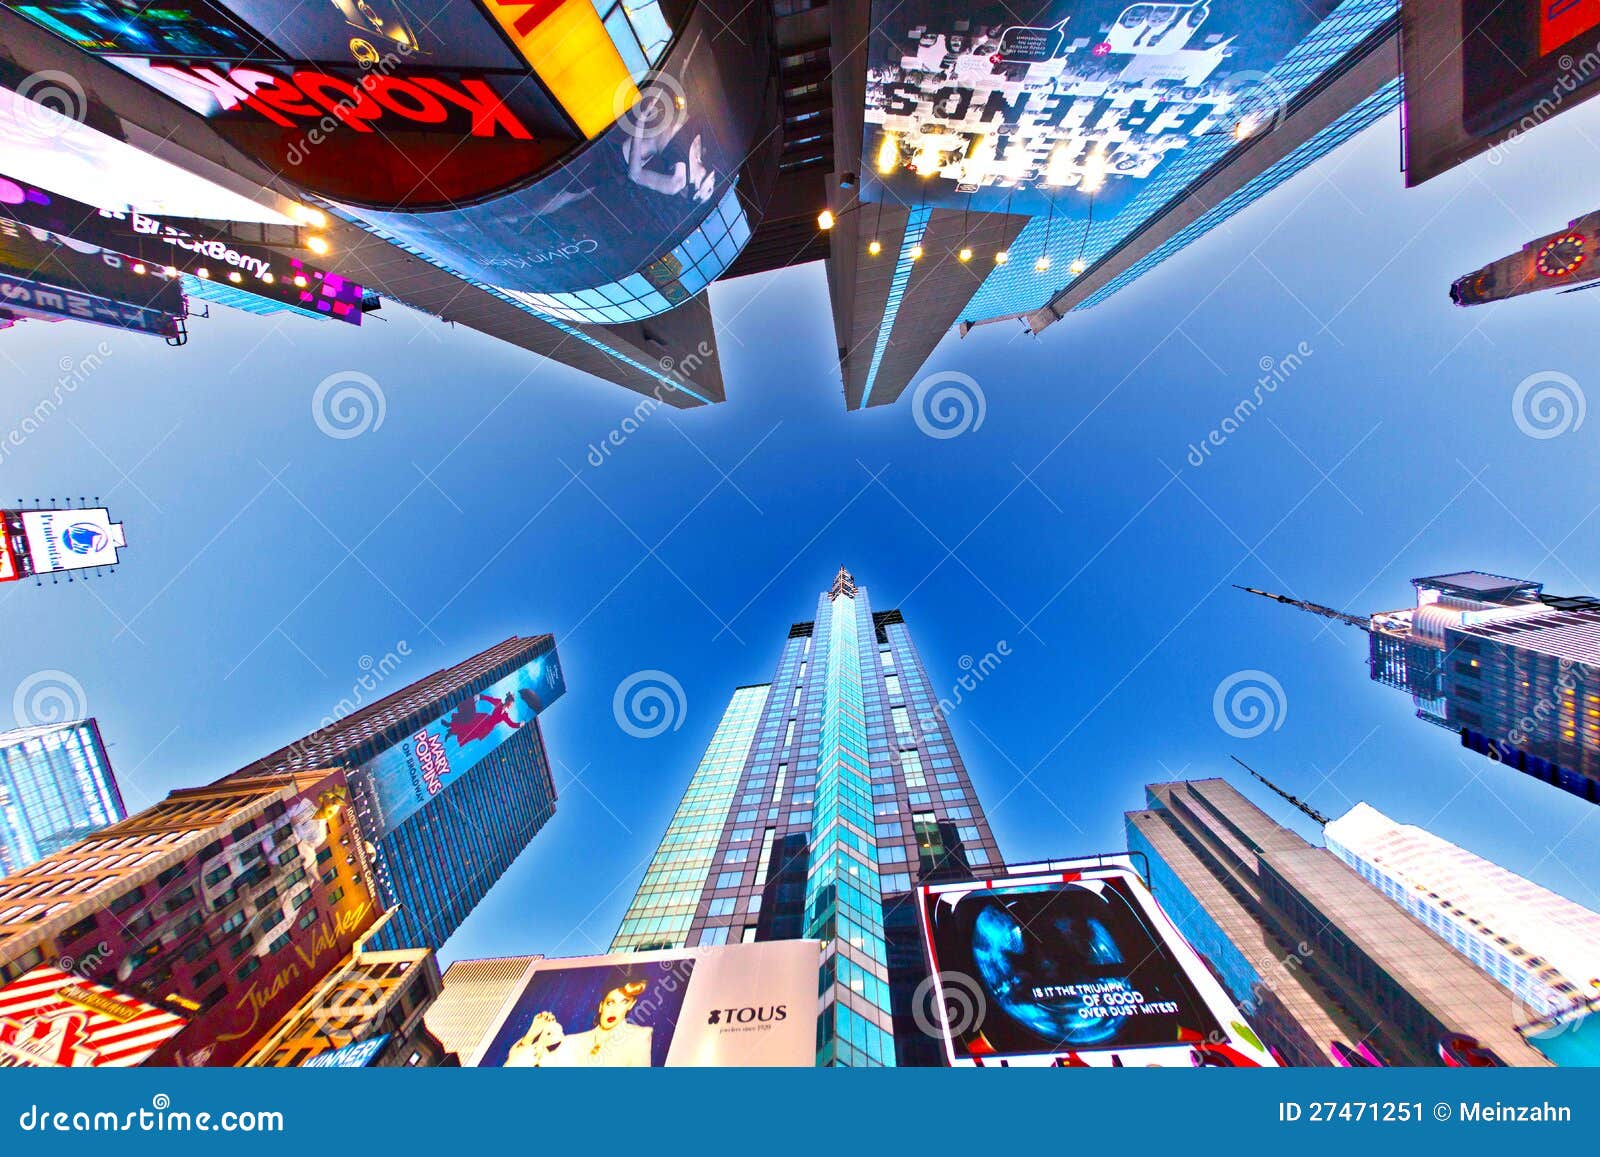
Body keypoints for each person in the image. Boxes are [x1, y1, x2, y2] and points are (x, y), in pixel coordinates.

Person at [504, 980, 654, 1067]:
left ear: (631, 1005)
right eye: (610, 1003)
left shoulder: (639, 1036)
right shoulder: (571, 1041)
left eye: (623, 1002)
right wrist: (531, 1036)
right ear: (601, 1006)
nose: (614, 1009)